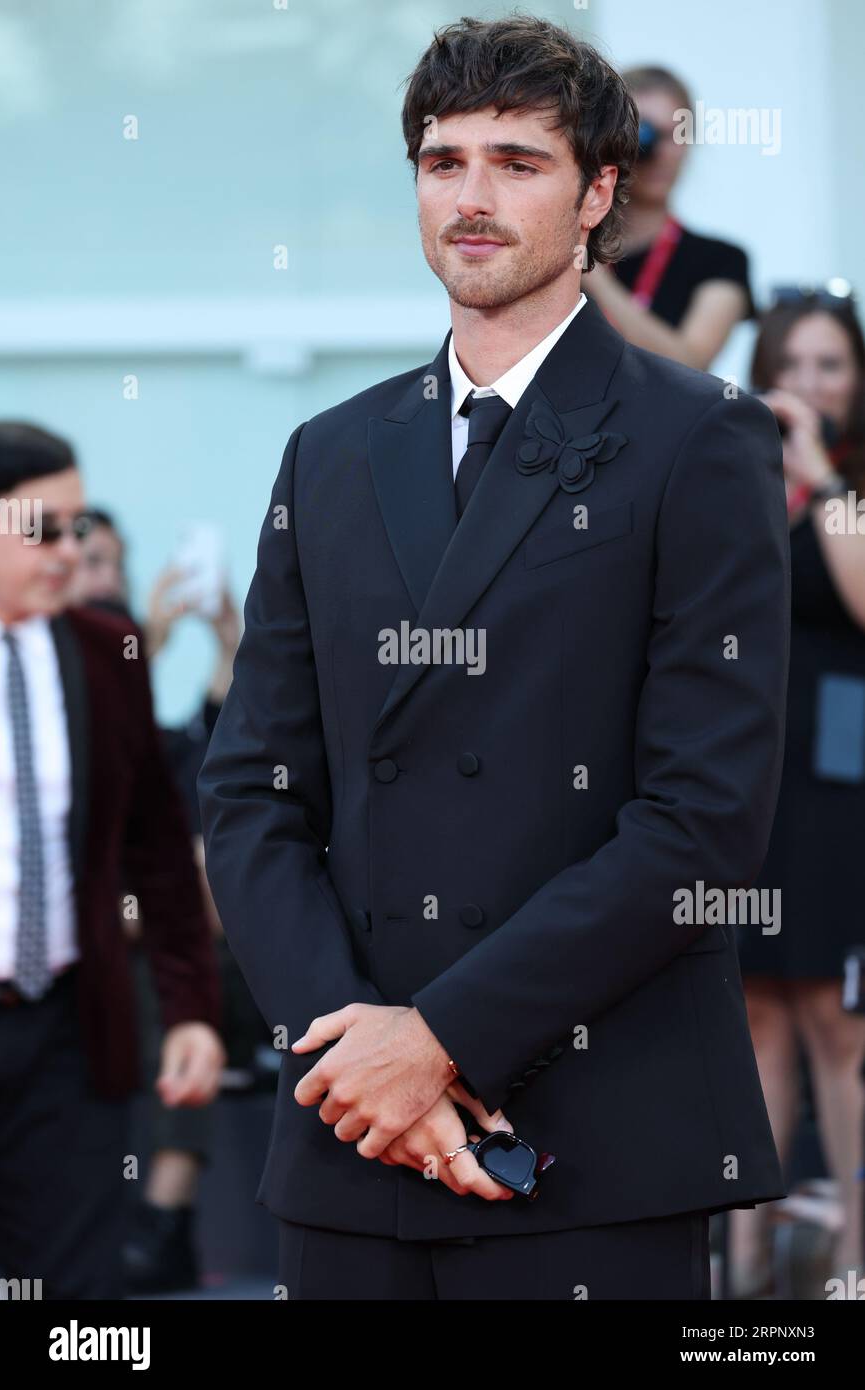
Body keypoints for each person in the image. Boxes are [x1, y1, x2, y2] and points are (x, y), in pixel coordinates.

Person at [197, 15, 790, 1301]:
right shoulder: (332, 452)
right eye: (441, 159)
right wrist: (354, 1061)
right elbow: (251, 792)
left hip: (590, 1136)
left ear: (595, 195)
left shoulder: (703, 441)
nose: (470, 198)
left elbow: (702, 818)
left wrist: (446, 1039)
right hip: (353, 1136)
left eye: (516, 163)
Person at [0, 422, 224, 1299]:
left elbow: (161, 856)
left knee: (77, 1299)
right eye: (41, 529)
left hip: (67, 1032)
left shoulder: (106, 653)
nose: (69, 550)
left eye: (78, 526)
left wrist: (192, 1012)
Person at [731, 287, 865, 1296]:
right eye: (796, 366)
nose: (813, 384)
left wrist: (819, 477)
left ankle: (852, 1263)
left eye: (832, 365)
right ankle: (744, 1274)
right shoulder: (727, 472)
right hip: (742, 772)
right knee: (754, 1016)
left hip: (839, 776)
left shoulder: (850, 484)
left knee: (836, 1017)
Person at [582, 65, 755, 369]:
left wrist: (595, 279)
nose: (661, 151)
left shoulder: (721, 260)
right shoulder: (572, 248)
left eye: (677, 134)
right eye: (644, 134)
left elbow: (690, 366)